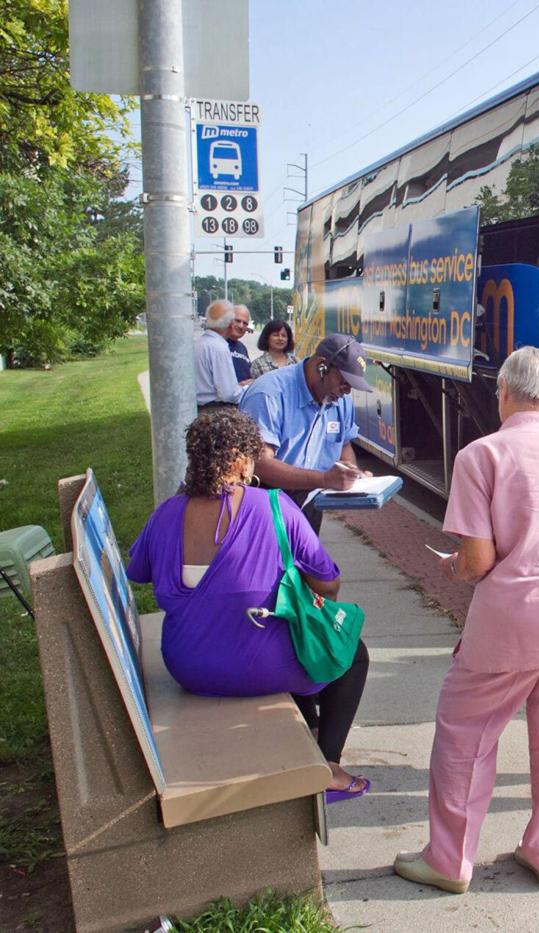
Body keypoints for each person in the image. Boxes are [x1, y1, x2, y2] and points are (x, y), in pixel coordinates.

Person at [393, 347, 539, 895]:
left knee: (466, 731)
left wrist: (454, 568)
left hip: (512, 623)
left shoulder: (480, 455)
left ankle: (449, 859)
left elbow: (478, 561)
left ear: (503, 393)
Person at [125, 408, 371, 803]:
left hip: (189, 666)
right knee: (346, 652)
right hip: (261, 667)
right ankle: (326, 765)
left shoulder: (166, 514)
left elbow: (137, 571)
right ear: (240, 459)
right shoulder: (274, 507)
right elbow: (329, 580)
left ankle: (304, 732)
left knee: (290, 639)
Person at [239, 333, 372, 534]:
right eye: (345, 382)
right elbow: (259, 463)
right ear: (322, 366)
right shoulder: (269, 394)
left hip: (309, 501)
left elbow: (344, 445)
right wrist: (325, 479)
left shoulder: (340, 400)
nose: (347, 392)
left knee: (304, 563)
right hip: (266, 504)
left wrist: (352, 473)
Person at [194, 299, 245, 409]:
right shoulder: (219, 348)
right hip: (214, 411)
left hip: (197, 408)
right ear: (231, 324)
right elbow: (229, 394)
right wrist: (246, 388)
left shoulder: (197, 344)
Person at [228, 304, 254, 384]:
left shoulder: (242, 347)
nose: (241, 326)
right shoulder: (218, 345)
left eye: (245, 323)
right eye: (237, 321)